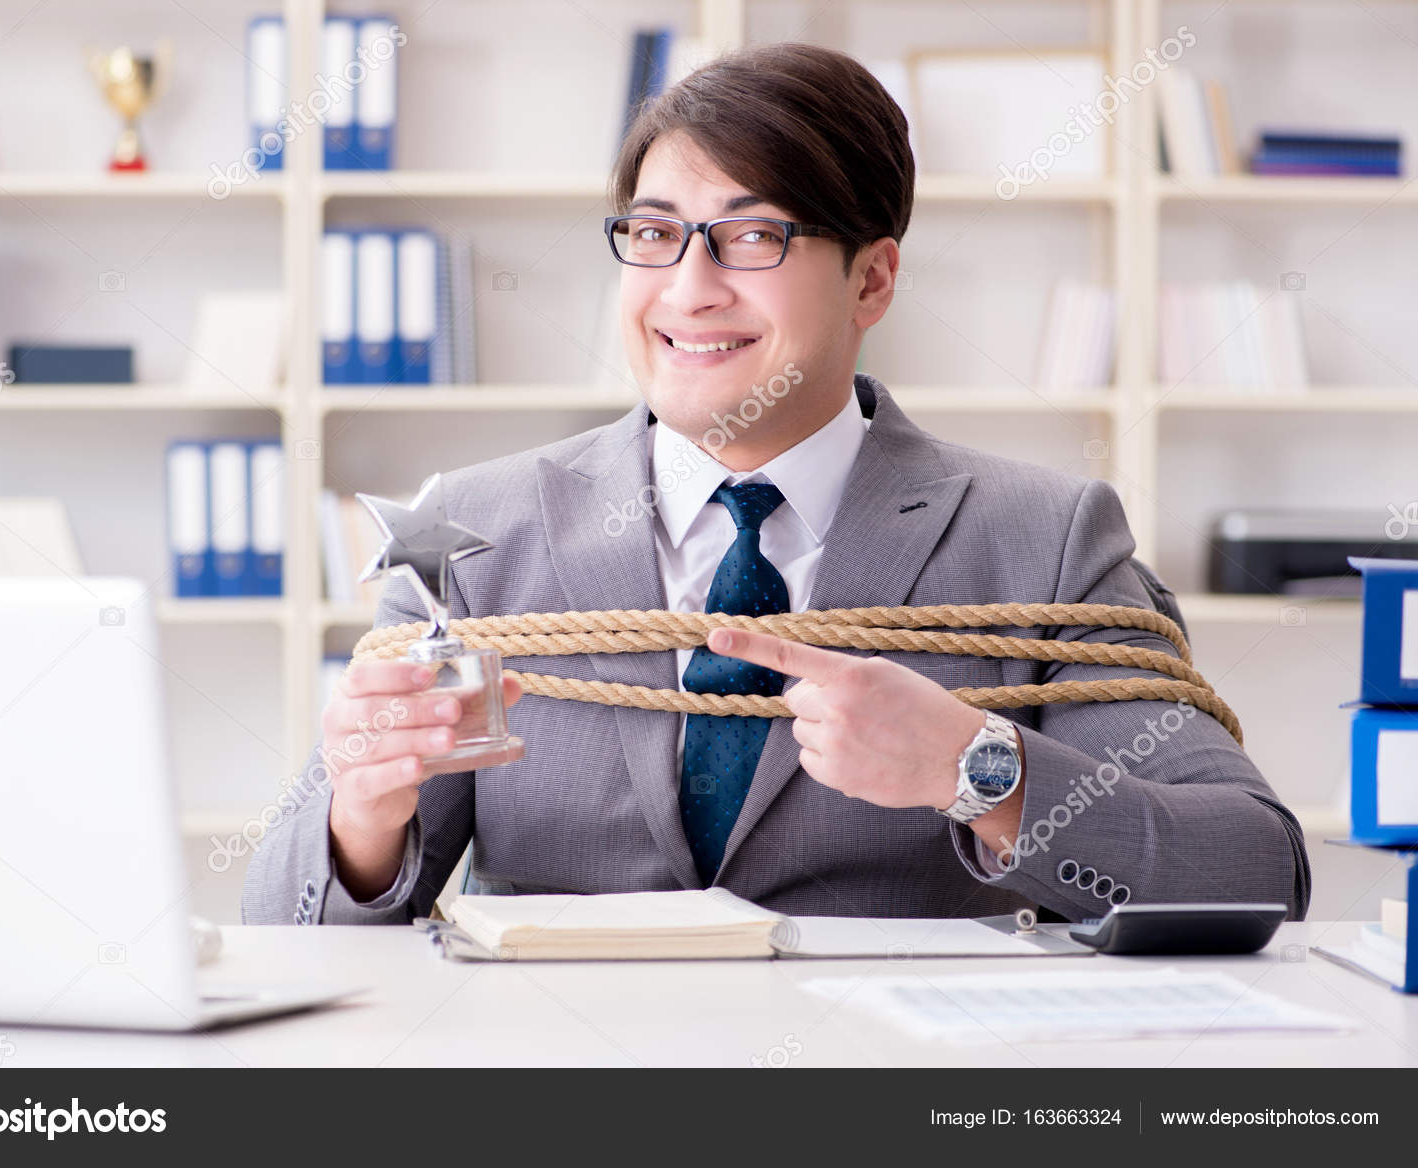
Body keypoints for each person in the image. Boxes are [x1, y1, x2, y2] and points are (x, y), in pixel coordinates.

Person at [243, 42, 1308, 927]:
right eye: (655, 234)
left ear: (872, 278)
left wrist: (981, 768)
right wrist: (362, 824)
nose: (688, 288)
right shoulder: (471, 538)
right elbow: (282, 928)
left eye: (752, 236)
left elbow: (1252, 875)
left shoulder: (1044, 539)